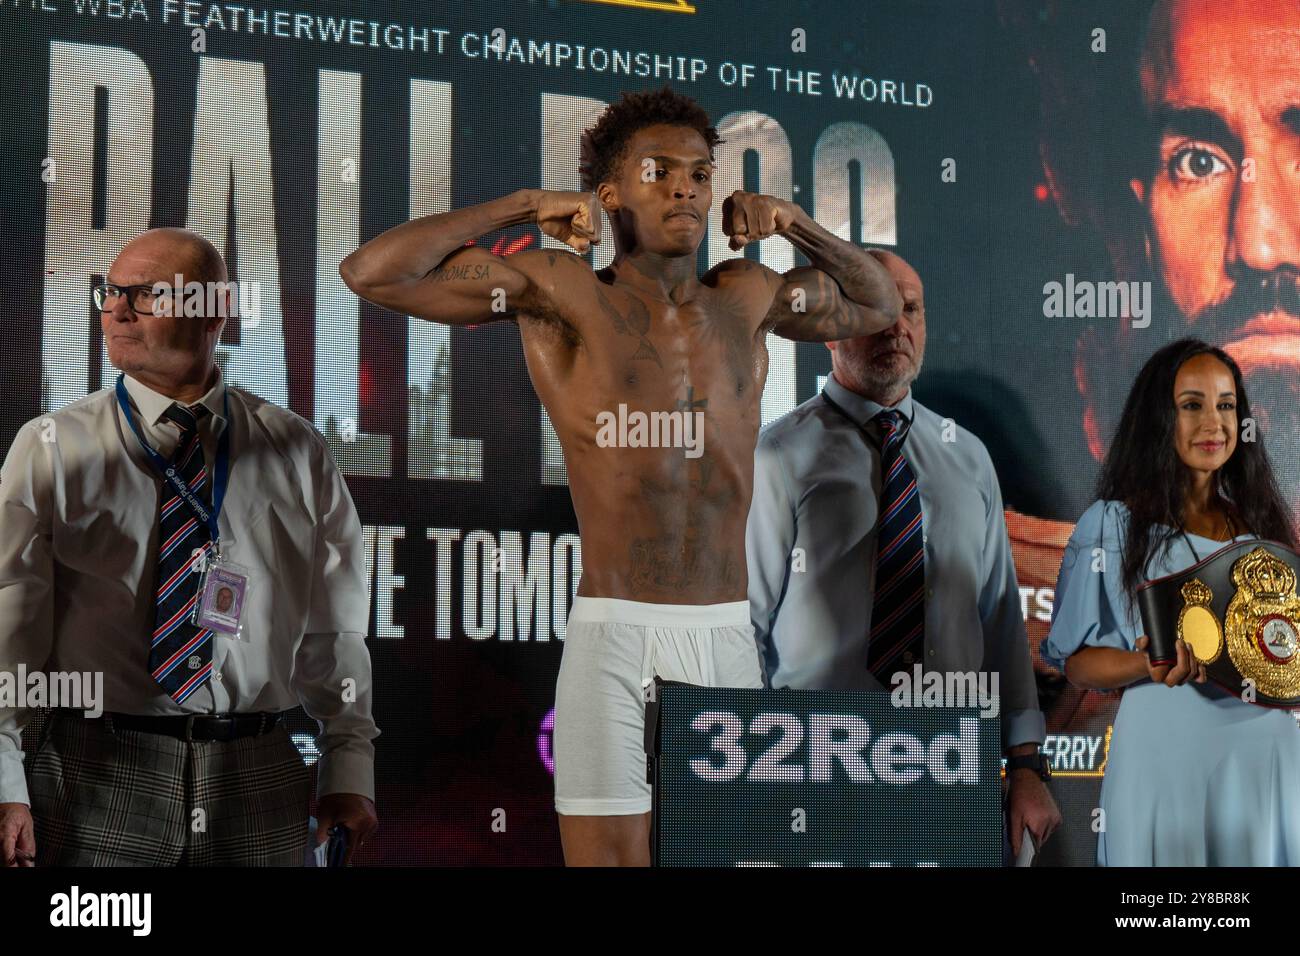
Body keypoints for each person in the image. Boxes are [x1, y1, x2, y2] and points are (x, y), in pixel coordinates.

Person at [340, 85, 902, 865]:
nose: (685, 186)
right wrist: (522, 205)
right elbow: (375, 273)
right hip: (614, 633)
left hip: (725, 634)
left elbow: (875, 305)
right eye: (659, 170)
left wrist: (796, 224)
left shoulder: (748, 295)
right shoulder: (558, 290)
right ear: (608, 194)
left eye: (700, 174)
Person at [0, 228, 379, 866]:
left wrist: (349, 766)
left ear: (214, 311)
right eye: (109, 291)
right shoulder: (51, 446)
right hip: (95, 772)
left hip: (260, 773)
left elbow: (335, 629)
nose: (115, 310)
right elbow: (10, 624)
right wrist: (5, 781)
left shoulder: (297, 450)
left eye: (145, 294)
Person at [747, 251, 1061, 860]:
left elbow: (1000, 623)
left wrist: (1026, 766)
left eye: (910, 308)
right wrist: (763, 772)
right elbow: (745, 630)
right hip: (816, 762)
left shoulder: (968, 458)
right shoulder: (777, 456)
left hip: (952, 759)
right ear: (831, 327)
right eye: (877, 308)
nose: (897, 327)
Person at [1042, 338, 1300, 865]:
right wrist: (1148, 663)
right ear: (1160, 418)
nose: (1214, 423)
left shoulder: (1265, 531)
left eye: (1226, 405)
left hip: (1267, 759)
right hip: (1164, 759)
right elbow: (1078, 665)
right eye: (1192, 405)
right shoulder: (1111, 526)